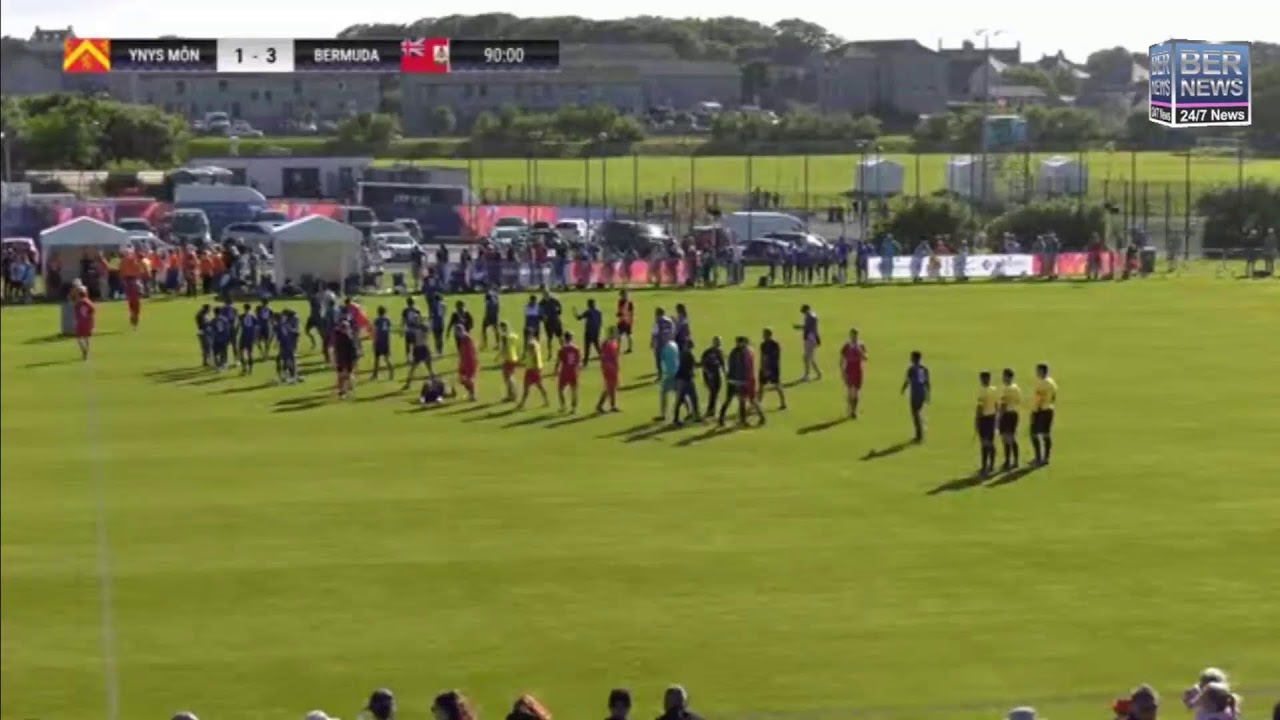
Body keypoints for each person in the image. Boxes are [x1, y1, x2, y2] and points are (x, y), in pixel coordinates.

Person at [719, 336, 764, 426]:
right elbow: (739, 367)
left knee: (742, 400)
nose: (738, 344)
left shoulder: (743, 353)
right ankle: (724, 419)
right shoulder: (741, 352)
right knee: (735, 399)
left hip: (741, 380)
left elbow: (745, 367)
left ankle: (742, 420)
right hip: (738, 380)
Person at [1030, 362, 1058, 466]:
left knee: (1034, 434)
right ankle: (1045, 458)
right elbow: (1053, 396)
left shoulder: (1042, 383)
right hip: (1049, 409)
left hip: (1041, 410)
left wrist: (1035, 410)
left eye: (1038, 370)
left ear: (1042, 371)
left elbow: (1040, 398)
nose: (1036, 372)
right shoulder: (1052, 382)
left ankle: (1039, 458)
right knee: (1046, 434)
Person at [900, 351, 930, 442]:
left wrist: (903, 389)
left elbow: (907, 381)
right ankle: (920, 433)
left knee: (915, 415)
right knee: (918, 414)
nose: (911, 359)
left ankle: (919, 435)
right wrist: (928, 395)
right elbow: (927, 383)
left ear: (915, 358)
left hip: (915, 395)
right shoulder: (924, 369)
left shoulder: (911, 369)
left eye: (912, 357)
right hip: (922, 394)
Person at [515, 332, 549, 410]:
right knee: (539, 386)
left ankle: (522, 404)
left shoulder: (531, 344)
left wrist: (535, 366)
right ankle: (546, 401)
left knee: (528, 387)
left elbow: (534, 356)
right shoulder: (536, 343)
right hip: (535, 368)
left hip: (532, 369)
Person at [975, 370, 1000, 476]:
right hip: (992, 417)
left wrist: (977, 421)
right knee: (990, 442)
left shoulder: (982, 391)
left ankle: (985, 466)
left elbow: (980, 408)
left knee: (984, 443)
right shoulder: (994, 390)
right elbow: (997, 405)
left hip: (984, 419)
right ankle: (991, 465)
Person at [998, 368, 1023, 470]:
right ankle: (1014, 461)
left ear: (1008, 377)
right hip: (1014, 413)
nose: (1003, 378)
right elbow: (1018, 401)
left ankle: (1008, 461)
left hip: (1007, 414)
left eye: (1004, 376)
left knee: (1007, 438)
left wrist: (999, 417)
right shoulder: (1016, 388)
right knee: (1010, 438)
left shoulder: (1007, 389)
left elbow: (1003, 405)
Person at [402, 313, 435, 390]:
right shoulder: (420, 327)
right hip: (419, 349)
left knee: (428, 367)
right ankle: (408, 383)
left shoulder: (421, 327)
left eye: (416, 319)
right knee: (415, 368)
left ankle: (408, 384)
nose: (415, 320)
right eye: (415, 319)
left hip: (422, 348)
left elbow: (425, 332)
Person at [756, 328, 786, 409]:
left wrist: (769, 369)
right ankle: (759, 404)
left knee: (777, 386)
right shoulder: (763, 345)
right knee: (761, 386)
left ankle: (783, 403)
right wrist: (762, 368)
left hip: (773, 369)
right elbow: (762, 357)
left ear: (769, 335)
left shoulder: (774, 345)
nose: (763, 336)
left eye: (764, 334)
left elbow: (774, 358)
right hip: (764, 368)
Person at [840, 329, 867, 418]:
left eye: (855, 335)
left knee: (856, 391)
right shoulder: (846, 346)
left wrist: (860, 350)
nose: (854, 337)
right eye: (852, 335)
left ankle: (853, 411)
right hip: (849, 370)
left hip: (858, 370)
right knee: (850, 391)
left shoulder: (861, 345)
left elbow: (865, 358)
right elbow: (841, 359)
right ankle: (851, 410)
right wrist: (842, 371)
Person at [595, 325, 622, 413]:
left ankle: (611, 406)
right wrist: (608, 366)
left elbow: (616, 355)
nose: (616, 334)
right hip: (609, 367)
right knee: (609, 386)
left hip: (613, 367)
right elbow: (603, 356)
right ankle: (603, 405)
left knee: (612, 386)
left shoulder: (614, 342)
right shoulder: (607, 343)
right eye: (615, 333)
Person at [673, 340, 700, 425]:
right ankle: (696, 416)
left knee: (679, 399)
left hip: (680, 378)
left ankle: (676, 418)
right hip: (687, 379)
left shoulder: (681, 353)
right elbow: (693, 366)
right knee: (694, 398)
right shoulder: (690, 355)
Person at [554, 331, 582, 413]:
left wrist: (555, 370)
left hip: (565, 371)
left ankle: (563, 406)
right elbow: (579, 362)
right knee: (574, 390)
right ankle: (574, 408)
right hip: (573, 371)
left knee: (560, 389)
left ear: (565, 338)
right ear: (571, 338)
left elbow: (558, 361)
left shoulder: (562, 349)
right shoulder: (576, 349)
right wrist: (578, 370)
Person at [699, 336, 725, 419]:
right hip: (709, 375)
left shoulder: (719, 352)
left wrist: (725, 374)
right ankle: (710, 410)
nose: (719, 344)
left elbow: (722, 364)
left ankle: (712, 410)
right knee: (713, 392)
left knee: (715, 392)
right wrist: (708, 374)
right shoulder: (708, 352)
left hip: (716, 375)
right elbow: (703, 364)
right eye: (718, 342)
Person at [656, 329, 680, 421]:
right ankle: (690, 411)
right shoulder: (675, 345)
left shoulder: (665, 347)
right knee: (680, 393)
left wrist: (661, 375)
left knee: (663, 393)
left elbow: (662, 361)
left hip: (670, 374)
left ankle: (663, 414)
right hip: (677, 372)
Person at [795, 304, 821, 381]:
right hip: (810, 338)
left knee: (807, 358)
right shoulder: (811, 316)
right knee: (809, 358)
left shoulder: (810, 317)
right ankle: (817, 373)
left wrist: (798, 327)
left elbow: (807, 327)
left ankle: (808, 375)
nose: (803, 313)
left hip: (810, 339)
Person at [332, 319, 358, 398]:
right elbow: (353, 350)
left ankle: (345, 390)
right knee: (342, 376)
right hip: (343, 359)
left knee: (345, 376)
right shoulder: (344, 338)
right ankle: (343, 391)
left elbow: (353, 351)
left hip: (346, 360)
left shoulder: (346, 338)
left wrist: (354, 360)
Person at [497, 321, 521, 402]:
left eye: (501, 327)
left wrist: (498, 356)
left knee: (507, 377)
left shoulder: (504, 336)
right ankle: (513, 394)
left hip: (508, 358)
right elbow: (517, 347)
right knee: (511, 376)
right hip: (514, 357)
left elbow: (504, 348)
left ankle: (512, 395)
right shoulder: (514, 336)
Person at [575, 298, 604, 365]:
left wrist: (576, 314)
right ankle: (604, 358)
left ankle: (585, 362)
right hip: (596, 331)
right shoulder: (599, 312)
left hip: (589, 332)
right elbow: (600, 322)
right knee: (597, 346)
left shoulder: (588, 311)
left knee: (587, 347)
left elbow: (579, 318)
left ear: (588, 305)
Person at [277, 309, 301, 384]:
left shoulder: (292, 321)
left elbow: (297, 332)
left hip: (290, 344)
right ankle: (287, 375)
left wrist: (290, 329)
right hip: (284, 343)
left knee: (291, 359)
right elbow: (280, 333)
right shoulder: (282, 322)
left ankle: (293, 376)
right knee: (284, 360)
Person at [455, 325, 479, 400]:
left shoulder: (467, 338)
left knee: (469, 379)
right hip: (463, 361)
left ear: (461, 330)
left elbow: (474, 348)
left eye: (457, 331)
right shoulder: (462, 339)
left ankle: (473, 395)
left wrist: (475, 358)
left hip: (470, 361)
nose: (456, 333)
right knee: (461, 379)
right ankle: (470, 393)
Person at [371, 306, 394, 380]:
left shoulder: (377, 320)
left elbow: (375, 331)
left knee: (376, 359)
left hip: (379, 341)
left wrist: (374, 341)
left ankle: (375, 375)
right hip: (385, 340)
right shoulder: (387, 320)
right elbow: (389, 330)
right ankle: (391, 371)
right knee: (386, 358)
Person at [539, 288, 564, 356]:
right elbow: (539, 312)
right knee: (549, 338)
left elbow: (560, 306)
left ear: (549, 293)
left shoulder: (554, 300)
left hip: (556, 322)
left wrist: (558, 313)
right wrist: (542, 318)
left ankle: (564, 349)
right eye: (544, 294)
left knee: (560, 336)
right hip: (548, 323)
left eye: (547, 294)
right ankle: (550, 353)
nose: (546, 295)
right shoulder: (541, 303)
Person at [73, 287, 95, 360]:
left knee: (79, 338)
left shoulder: (78, 304)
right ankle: (87, 351)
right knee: (87, 338)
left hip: (80, 323)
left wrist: (75, 322)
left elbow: (76, 314)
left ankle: (83, 350)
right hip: (87, 322)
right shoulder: (88, 302)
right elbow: (92, 311)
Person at [237, 302, 259, 375]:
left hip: (244, 336)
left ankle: (244, 368)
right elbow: (257, 328)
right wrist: (256, 337)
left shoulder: (241, 316)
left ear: (244, 308)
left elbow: (238, 326)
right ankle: (250, 370)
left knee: (241, 352)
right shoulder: (253, 317)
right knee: (250, 353)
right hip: (251, 336)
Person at [400, 298, 421, 363]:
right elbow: (419, 320)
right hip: (415, 329)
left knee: (408, 344)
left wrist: (402, 329)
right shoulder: (417, 310)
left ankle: (408, 358)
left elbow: (403, 320)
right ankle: (415, 357)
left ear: (407, 303)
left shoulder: (405, 310)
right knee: (415, 344)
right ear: (413, 302)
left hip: (408, 329)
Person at [615, 289, 635, 353]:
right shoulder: (622, 302)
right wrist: (618, 314)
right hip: (624, 320)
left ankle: (625, 348)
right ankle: (625, 348)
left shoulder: (627, 302)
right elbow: (620, 311)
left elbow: (631, 313)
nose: (621, 296)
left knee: (625, 335)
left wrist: (631, 321)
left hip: (625, 321)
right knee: (624, 335)